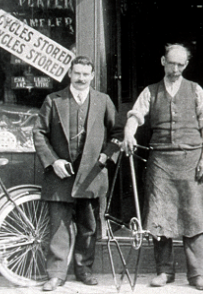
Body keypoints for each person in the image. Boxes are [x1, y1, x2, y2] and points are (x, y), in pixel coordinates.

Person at [121, 44, 203, 290]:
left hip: (191, 161)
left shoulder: (196, 91)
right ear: (163, 61)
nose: (176, 69)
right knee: (159, 219)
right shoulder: (151, 92)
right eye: (172, 63)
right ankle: (164, 272)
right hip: (161, 163)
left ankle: (196, 275)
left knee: (194, 219)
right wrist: (129, 133)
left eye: (181, 65)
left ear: (186, 65)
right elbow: (135, 116)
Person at [33, 56, 122, 292]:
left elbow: (118, 133)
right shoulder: (53, 100)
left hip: (91, 175)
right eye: (77, 73)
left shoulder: (103, 101)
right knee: (58, 228)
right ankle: (55, 275)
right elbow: (39, 133)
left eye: (85, 74)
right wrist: (53, 162)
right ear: (69, 74)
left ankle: (84, 270)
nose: (81, 78)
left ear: (92, 76)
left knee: (88, 227)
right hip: (60, 175)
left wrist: (107, 155)